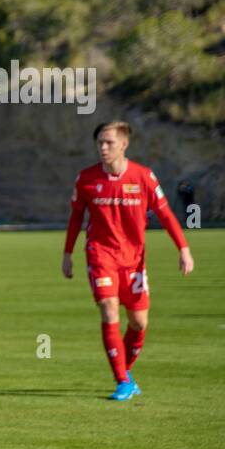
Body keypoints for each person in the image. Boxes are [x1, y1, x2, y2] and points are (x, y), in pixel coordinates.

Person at [62, 121, 193, 401]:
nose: (103, 148)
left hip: (134, 261)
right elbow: (76, 217)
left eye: (109, 142)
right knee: (109, 309)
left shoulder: (143, 177)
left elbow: (166, 214)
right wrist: (67, 254)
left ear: (124, 144)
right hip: (100, 254)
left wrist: (183, 248)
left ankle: (125, 371)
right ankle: (121, 380)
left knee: (139, 322)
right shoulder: (86, 178)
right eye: (99, 143)